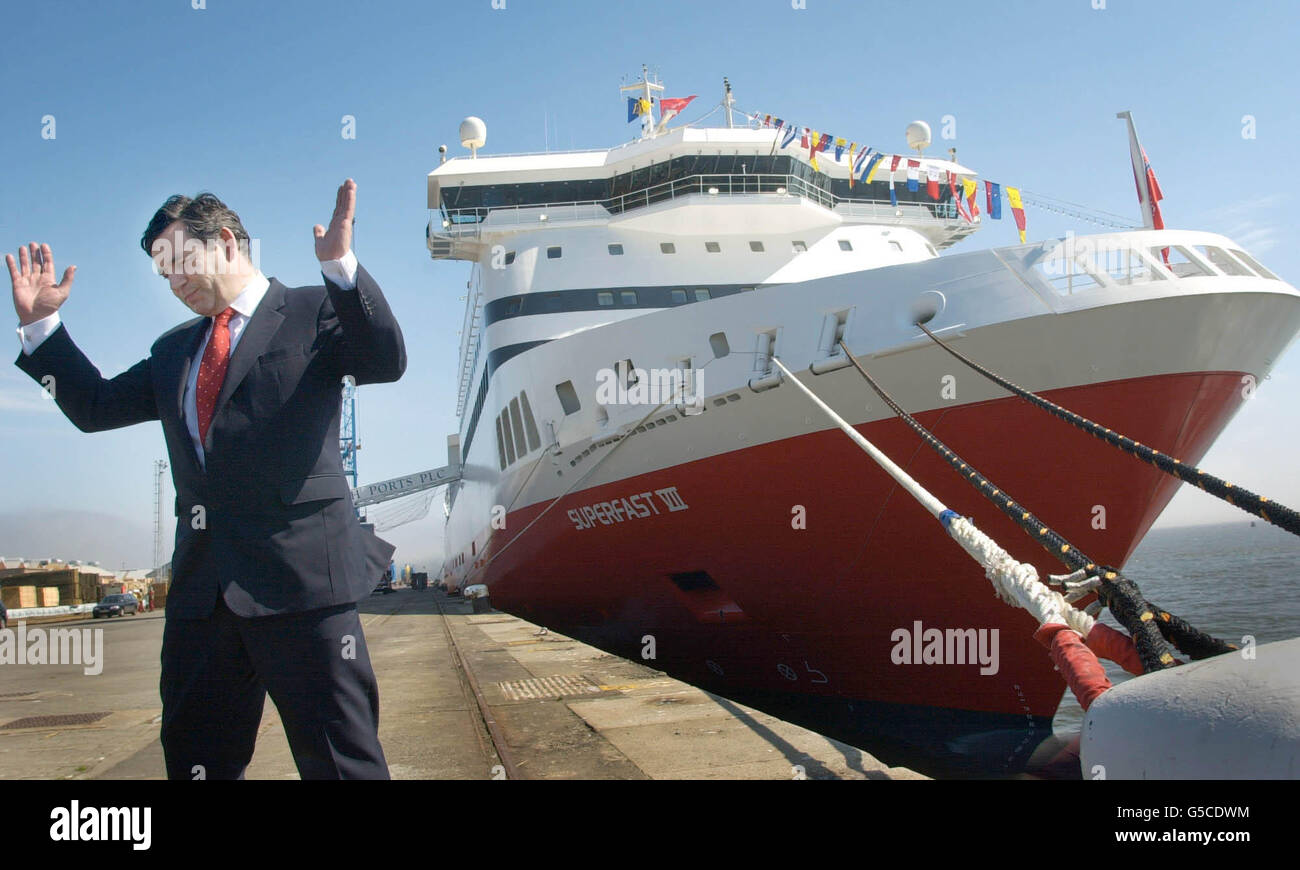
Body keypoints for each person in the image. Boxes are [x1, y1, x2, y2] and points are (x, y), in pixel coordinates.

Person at [8, 180, 404, 779]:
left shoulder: (313, 309)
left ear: (224, 241)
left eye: (178, 263)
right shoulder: (174, 351)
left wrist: (342, 271)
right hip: (201, 599)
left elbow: (384, 361)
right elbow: (94, 408)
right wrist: (43, 330)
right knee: (196, 762)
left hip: (302, 592)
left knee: (341, 765)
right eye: (162, 275)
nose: (175, 284)